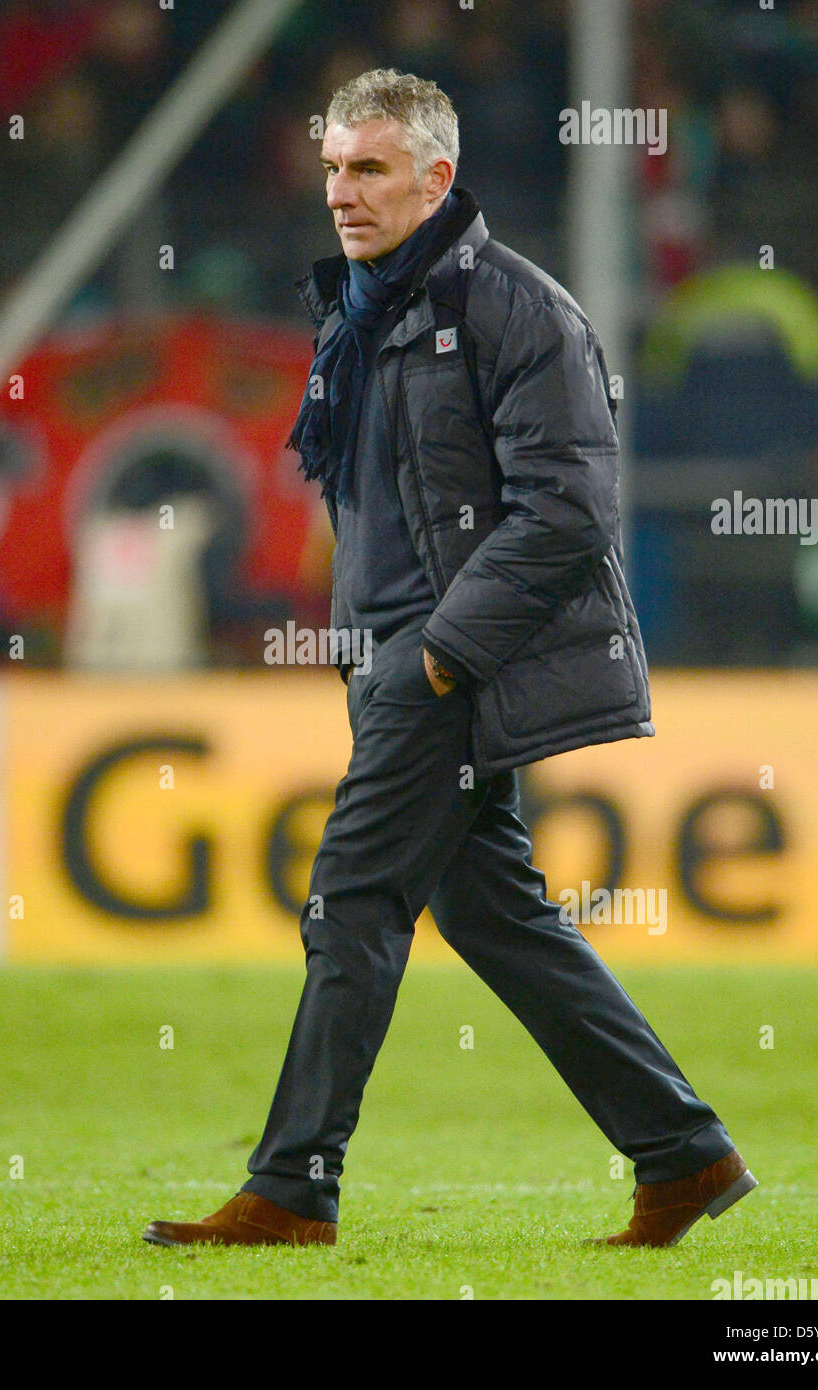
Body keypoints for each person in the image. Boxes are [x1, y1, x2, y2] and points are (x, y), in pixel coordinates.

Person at [143, 68, 755, 1250]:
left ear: (436, 177)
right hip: (388, 660)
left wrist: (435, 655)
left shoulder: (515, 311)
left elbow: (567, 508)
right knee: (497, 917)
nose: (340, 190)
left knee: (352, 901)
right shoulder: (360, 310)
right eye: (329, 166)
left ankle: (290, 1186)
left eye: (367, 168)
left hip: (441, 668)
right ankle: (682, 1153)